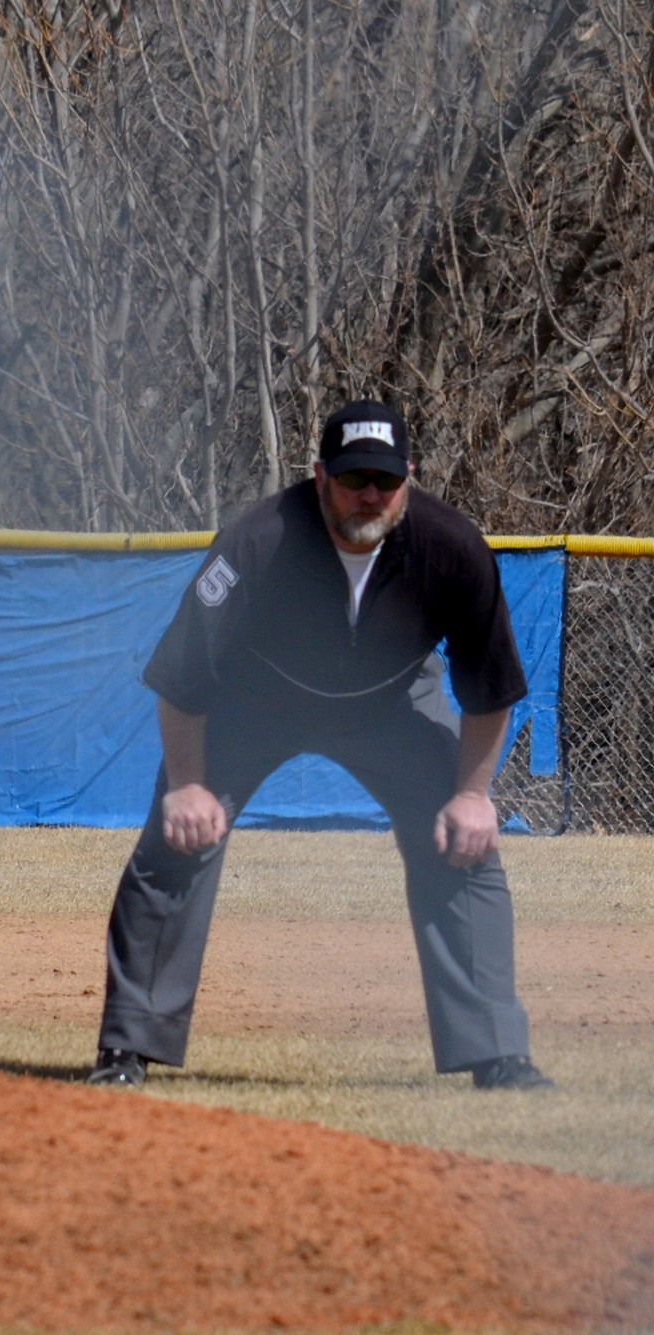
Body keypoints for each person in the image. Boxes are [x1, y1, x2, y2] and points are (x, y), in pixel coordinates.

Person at [89, 400, 553, 1093]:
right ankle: (127, 1048)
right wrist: (187, 784)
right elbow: (183, 674)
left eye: (386, 479)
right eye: (354, 476)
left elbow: (490, 689)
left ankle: (499, 1054)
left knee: (463, 841)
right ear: (319, 477)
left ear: (410, 479)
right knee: (176, 840)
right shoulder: (260, 541)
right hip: (254, 699)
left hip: (393, 701)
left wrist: (471, 794)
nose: (370, 492)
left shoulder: (451, 547)